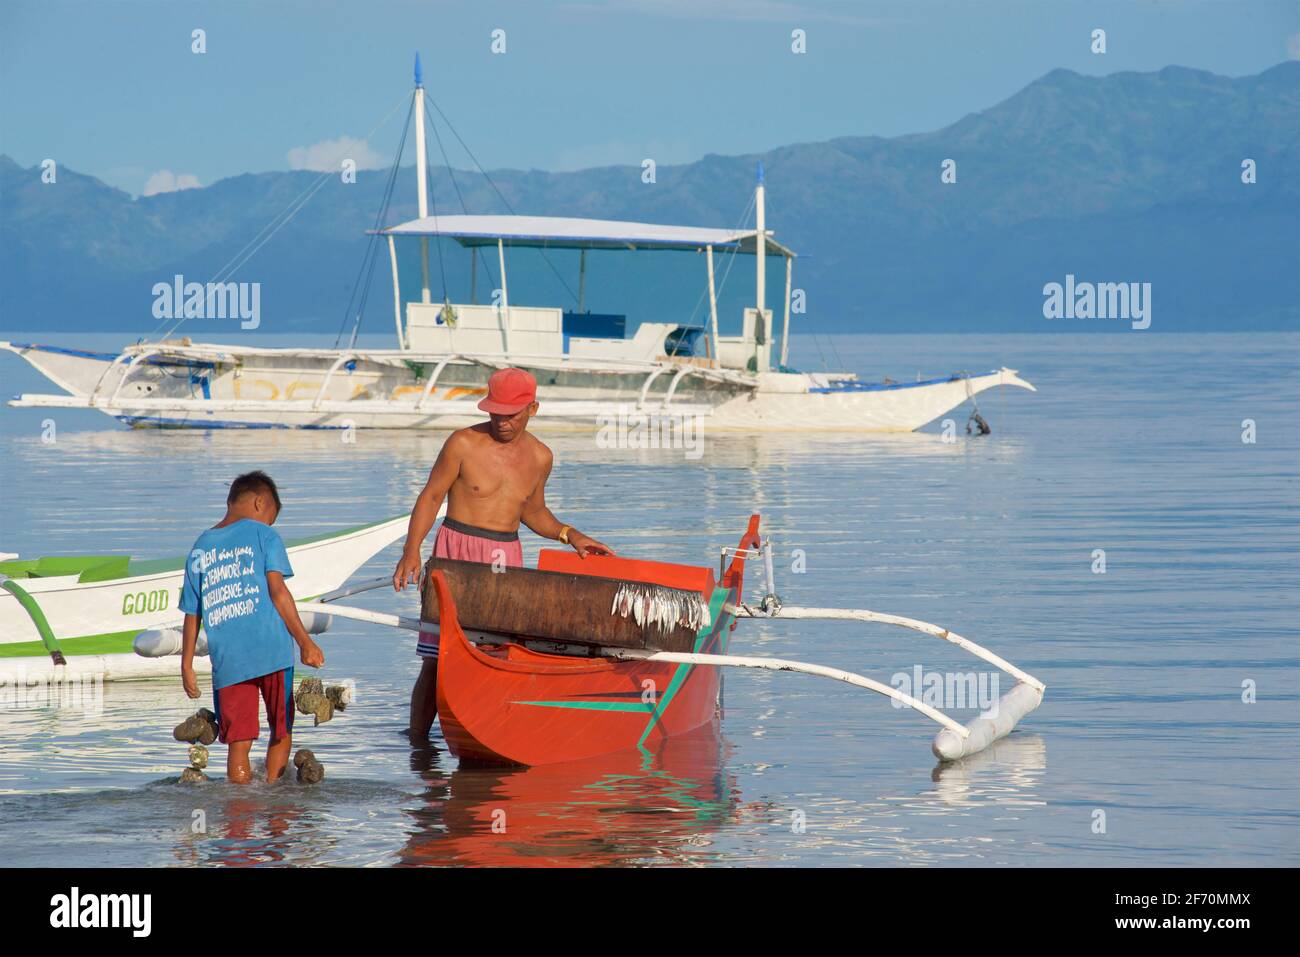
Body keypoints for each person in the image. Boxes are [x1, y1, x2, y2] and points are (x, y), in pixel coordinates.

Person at [392, 367, 614, 742]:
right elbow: (431, 496)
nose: (502, 422)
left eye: (510, 414)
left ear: (533, 409)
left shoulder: (541, 457)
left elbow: (533, 511)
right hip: (455, 551)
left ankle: (488, 737)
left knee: (499, 656)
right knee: (435, 659)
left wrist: (570, 534)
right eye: (495, 412)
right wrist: (411, 551)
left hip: (506, 557)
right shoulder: (463, 443)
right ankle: (418, 747)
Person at [180, 471, 325, 783]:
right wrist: (304, 641)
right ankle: (276, 808)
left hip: (229, 661)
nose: (270, 525)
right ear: (260, 503)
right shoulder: (265, 536)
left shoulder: (200, 547)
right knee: (281, 730)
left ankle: (239, 817)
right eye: (270, 518)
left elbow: (192, 613)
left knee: (239, 743)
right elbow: (278, 592)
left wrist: (187, 665)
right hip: (272, 651)